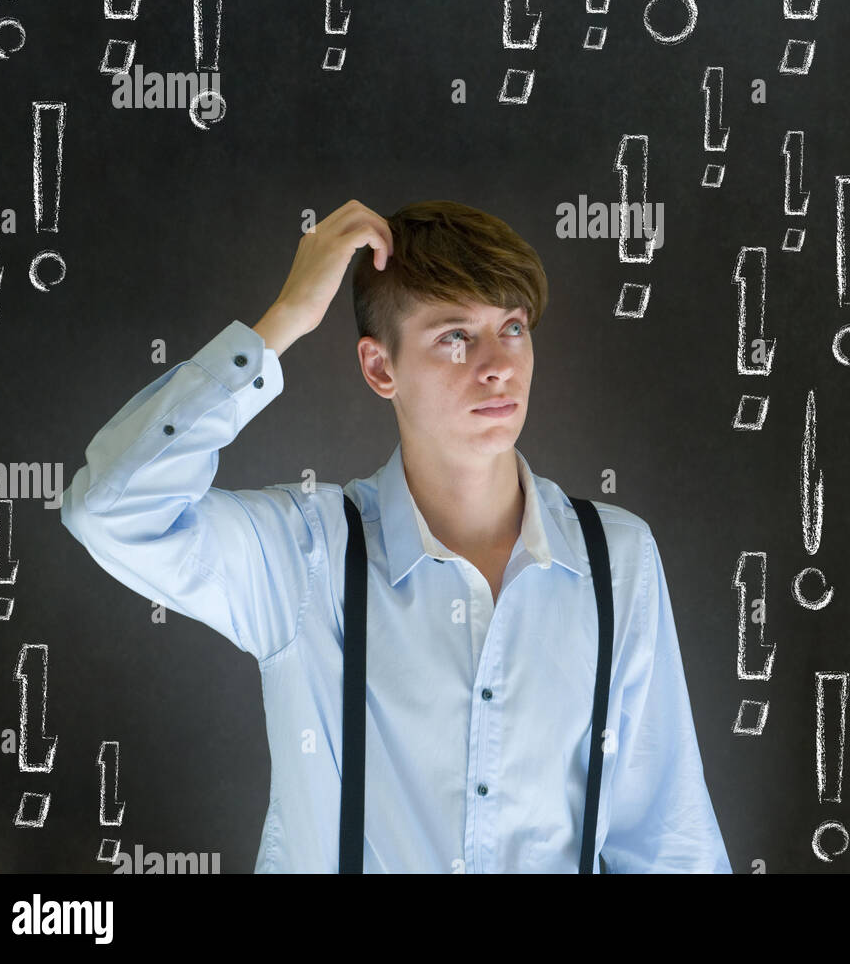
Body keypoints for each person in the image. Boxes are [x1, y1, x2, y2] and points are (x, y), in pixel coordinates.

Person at [60, 199, 731, 873]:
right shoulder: (307, 556)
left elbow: (668, 839)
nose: (497, 364)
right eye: (454, 337)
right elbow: (110, 509)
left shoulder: (615, 557)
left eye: (513, 328)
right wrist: (284, 321)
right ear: (381, 369)